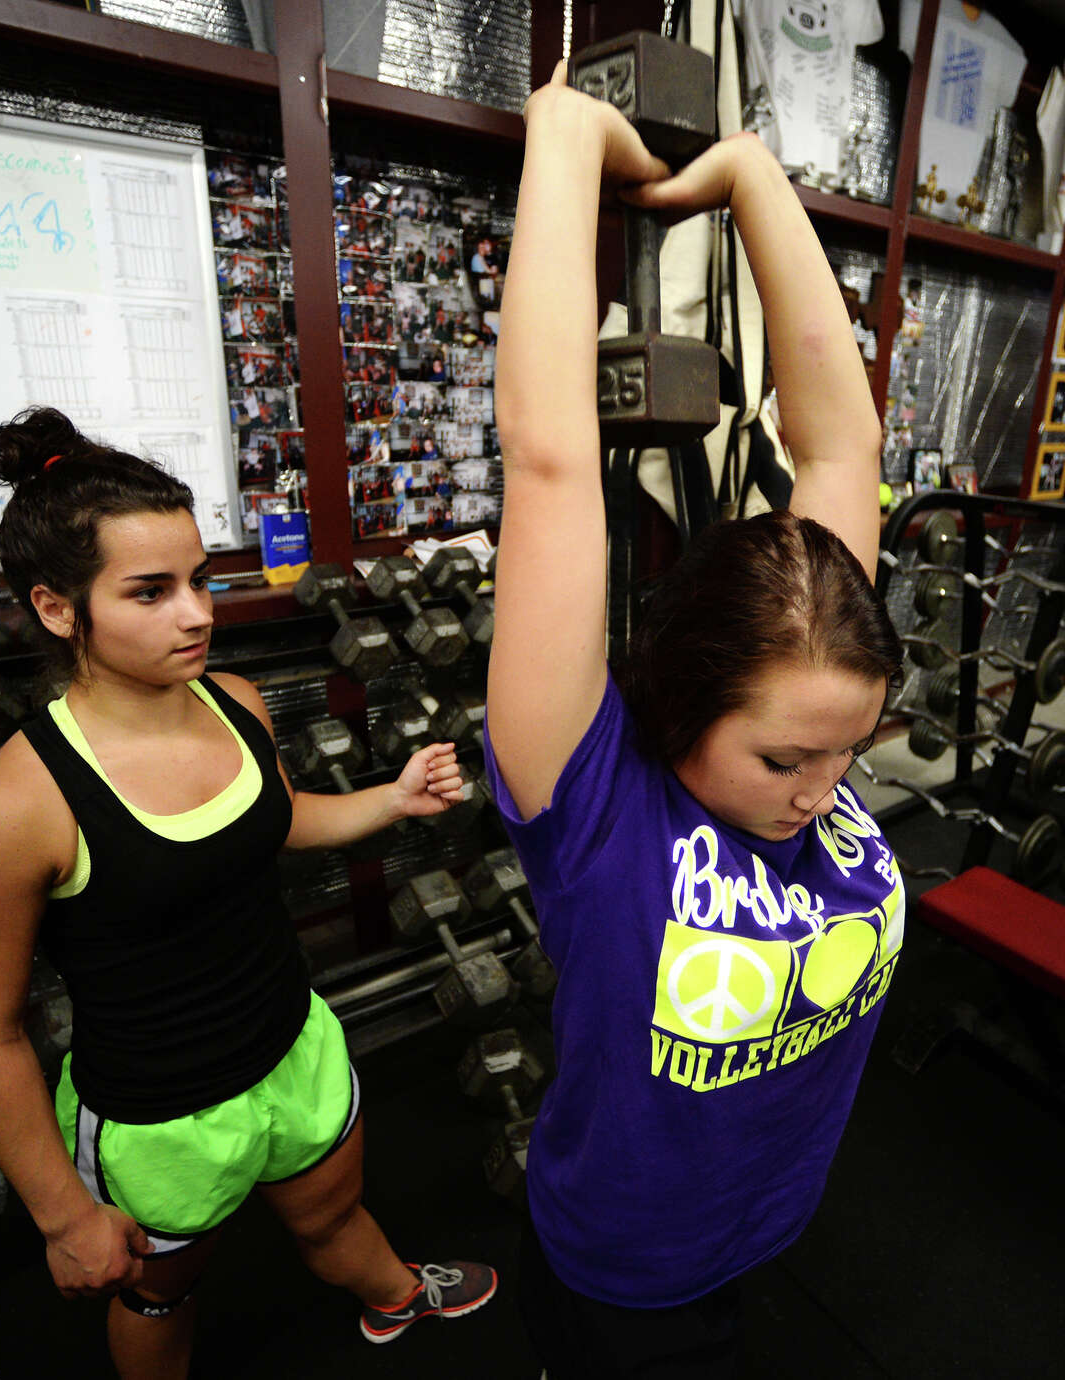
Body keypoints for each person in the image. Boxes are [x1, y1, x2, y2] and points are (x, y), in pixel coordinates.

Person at [0, 408, 497, 1380]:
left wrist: (389, 801)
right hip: (159, 1120)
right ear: (60, 609)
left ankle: (393, 1296)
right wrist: (65, 1216)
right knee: (163, 1291)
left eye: (200, 581)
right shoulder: (14, 807)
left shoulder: (235, 704)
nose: (196, 613)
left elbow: (277, 819)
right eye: (150, 592)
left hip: (291, 1047)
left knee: (334, 1212)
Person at [485, 64, 905, 1378]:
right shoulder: (602, 803)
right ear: (682, 707)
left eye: (851, 754)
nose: (825, 789)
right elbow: (550, 463)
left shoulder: (808, 657)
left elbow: (840, 453)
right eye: (789, 758)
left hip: (770, 1220)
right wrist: (562, 141)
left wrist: (752, 181)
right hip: (626, 1275)